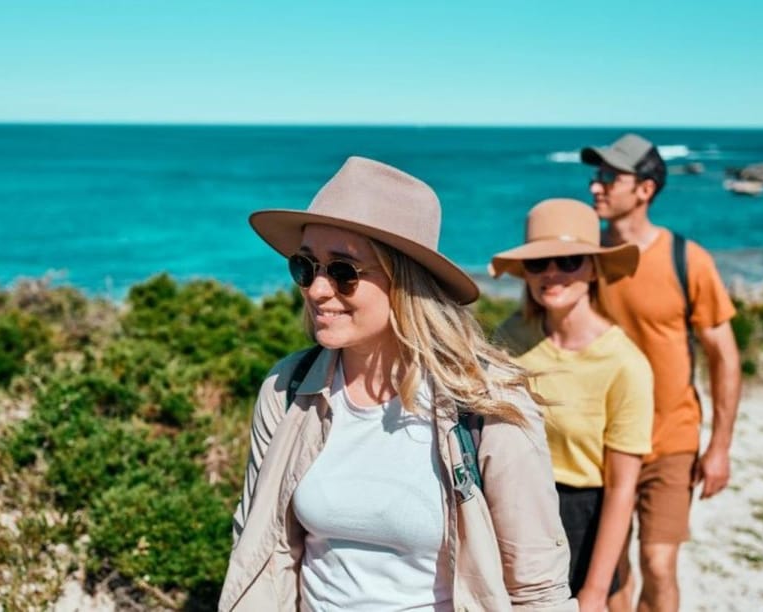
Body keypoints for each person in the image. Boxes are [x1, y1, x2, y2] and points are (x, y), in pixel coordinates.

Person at [218, 156, 575, 611]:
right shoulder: (288, 388)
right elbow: (257, 542)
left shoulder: (490, 406)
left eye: (343, 271)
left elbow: (537, 589)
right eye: (306, 266)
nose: (317, 290)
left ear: (405, 281)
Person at [580, 134, 742, 612]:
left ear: (645, 190)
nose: (597, 187)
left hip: (671, 438)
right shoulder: (584, 259)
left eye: (611, 177)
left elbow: (724, 356)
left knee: (657, 563)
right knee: (609, 573)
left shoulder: (686, 259)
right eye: (596, 175)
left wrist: (720, 446)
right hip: (602, 441)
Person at [488, 198, 654, 612]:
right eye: (538, 264)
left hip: (584, 516)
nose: (551, 274)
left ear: (594, 268)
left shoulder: (625, 365)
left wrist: (596, 591)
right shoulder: (509, 339)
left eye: (568, 260)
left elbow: (621, 489)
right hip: (511, 506)